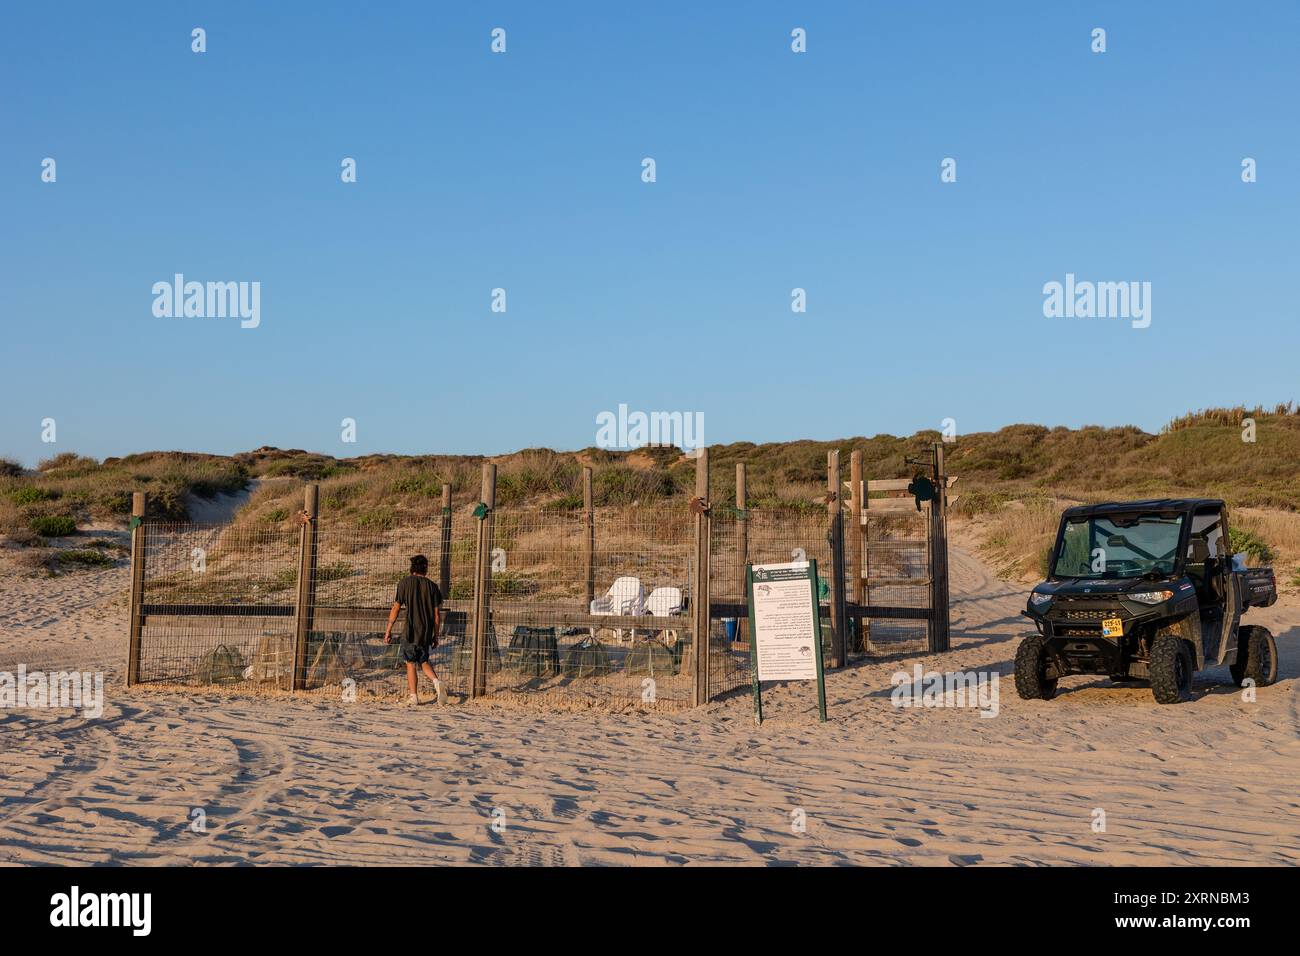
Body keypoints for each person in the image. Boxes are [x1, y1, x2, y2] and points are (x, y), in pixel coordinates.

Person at [383, 554, 447, 706]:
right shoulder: (432, 586)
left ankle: (414, 696)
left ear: (412, 568)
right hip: (426, 631)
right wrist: (436, 635)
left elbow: (396, 607)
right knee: (423, 660)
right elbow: (437, 615)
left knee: (410, 662)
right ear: (425, 569)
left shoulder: (404, 583)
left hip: (410, 630)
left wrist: (388, 629)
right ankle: (437, 682)